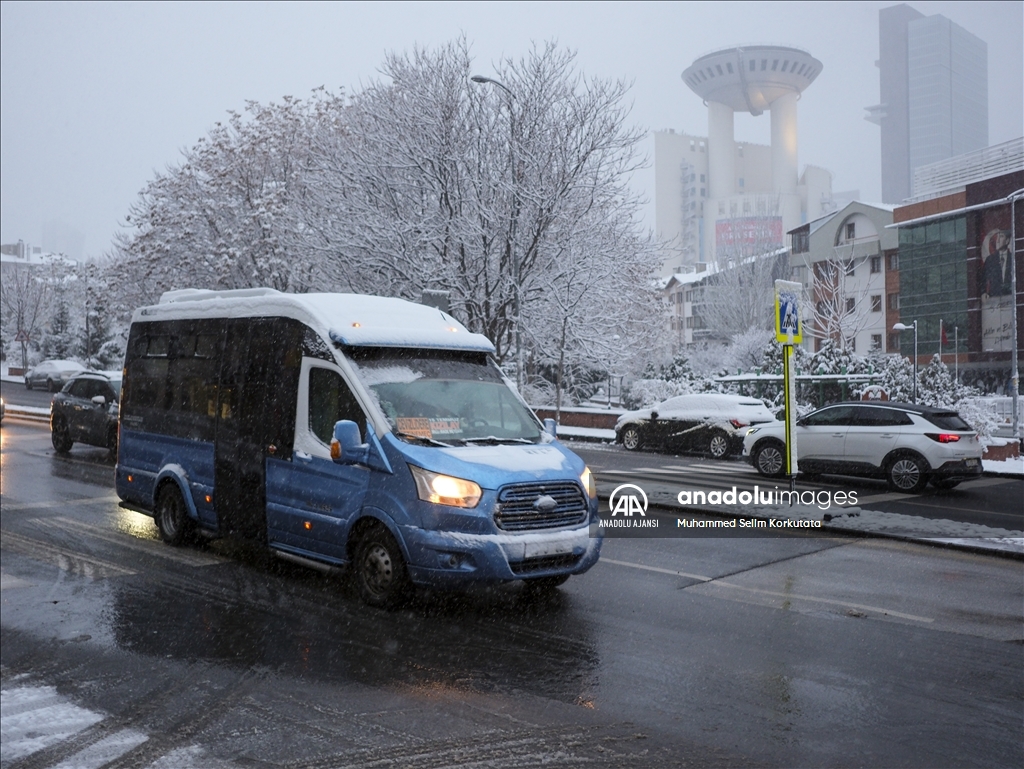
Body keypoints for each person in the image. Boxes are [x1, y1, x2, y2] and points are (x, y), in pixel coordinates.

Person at [981, 230, 1012, 299]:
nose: (997, 240)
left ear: (1007, 241)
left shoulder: (1013, 258)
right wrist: (983, 293)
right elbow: (982, 279)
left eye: (1001, 237)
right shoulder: (990, 260)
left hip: (1010, 298)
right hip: (994, 299)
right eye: (997, 237)